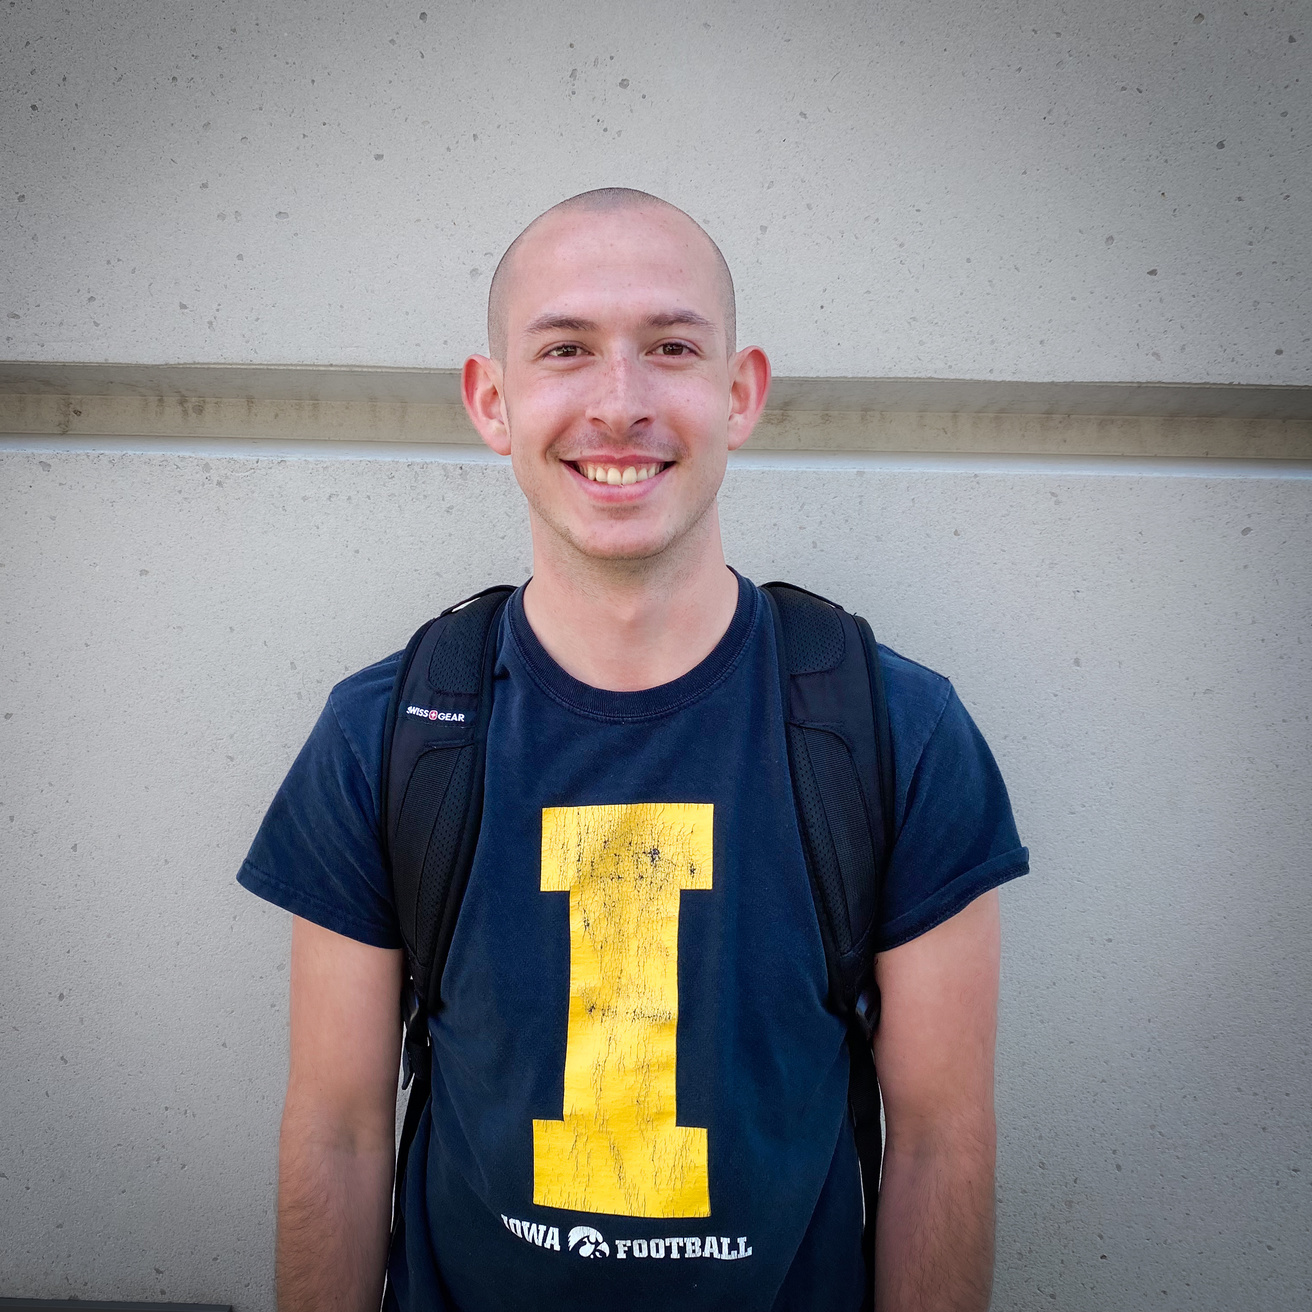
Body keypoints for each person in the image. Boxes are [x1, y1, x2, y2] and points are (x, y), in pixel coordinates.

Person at [238, 188, 1028, 1312]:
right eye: (565, 349)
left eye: (669, 347)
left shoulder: (894, 730)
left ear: (738, 392)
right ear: (491, 399)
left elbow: (942, 1144)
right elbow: (338, 1131)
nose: (619, 404)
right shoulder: (389, 731)